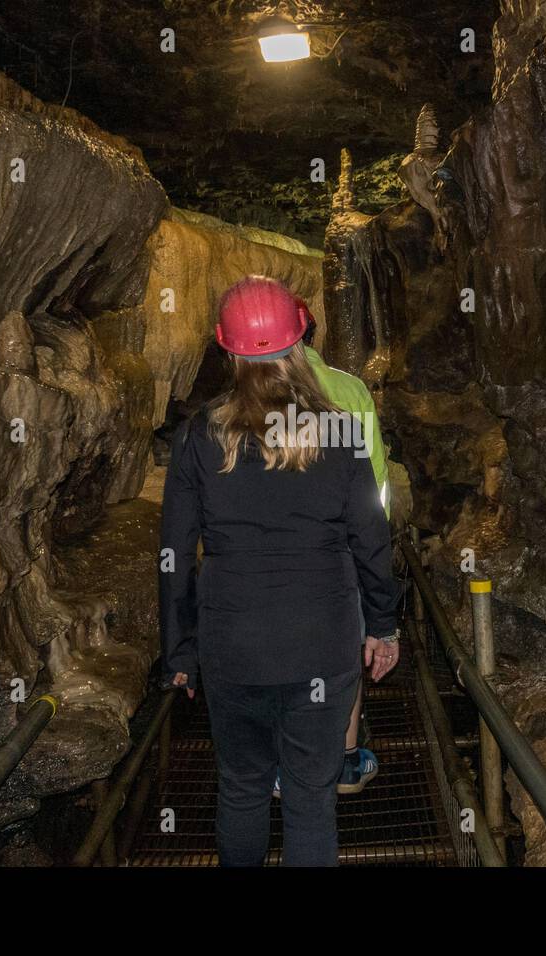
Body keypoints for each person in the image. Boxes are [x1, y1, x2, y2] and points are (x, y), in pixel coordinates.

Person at [159, 275, 401, 867]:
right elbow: (372, 541)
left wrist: (179, 652)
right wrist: (384, 627)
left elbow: (173, 555)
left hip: (233, 645)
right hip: (321, 642)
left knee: (242, 789)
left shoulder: (198, 435)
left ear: (227, 347)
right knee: (310, 798)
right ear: (299, 342)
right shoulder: (340, 432)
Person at [293, 298, 389, 795]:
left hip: (281, 556)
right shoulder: (350, 388)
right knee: (346, 649)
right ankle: (347, 759)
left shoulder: (250, 394)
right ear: (312, 334)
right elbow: (374, 477)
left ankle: (287, 762)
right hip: (346, 548)